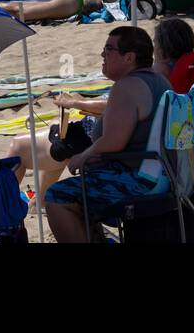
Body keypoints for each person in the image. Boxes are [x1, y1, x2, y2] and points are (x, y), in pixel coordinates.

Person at [6, 18, 194, 198]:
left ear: (159, 48)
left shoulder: (151, 76)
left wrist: (76, 103)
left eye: (109, 50)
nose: (103, 55)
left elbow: (117, 128)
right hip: (148, 158)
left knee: (22, 145)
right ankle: (39, 200)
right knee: (58, 132)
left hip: (113, 154)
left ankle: (9, 220)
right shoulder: (185, 72)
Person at [44, 25, 173, 242]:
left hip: (141, 181)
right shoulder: (158, 81)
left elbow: (113, 142)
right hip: (164, 174)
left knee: (56, 197)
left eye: (109, 49)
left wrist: (81, 158)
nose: (102, 54)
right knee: (82, 189)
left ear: (129, 57)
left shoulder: (127, 86)